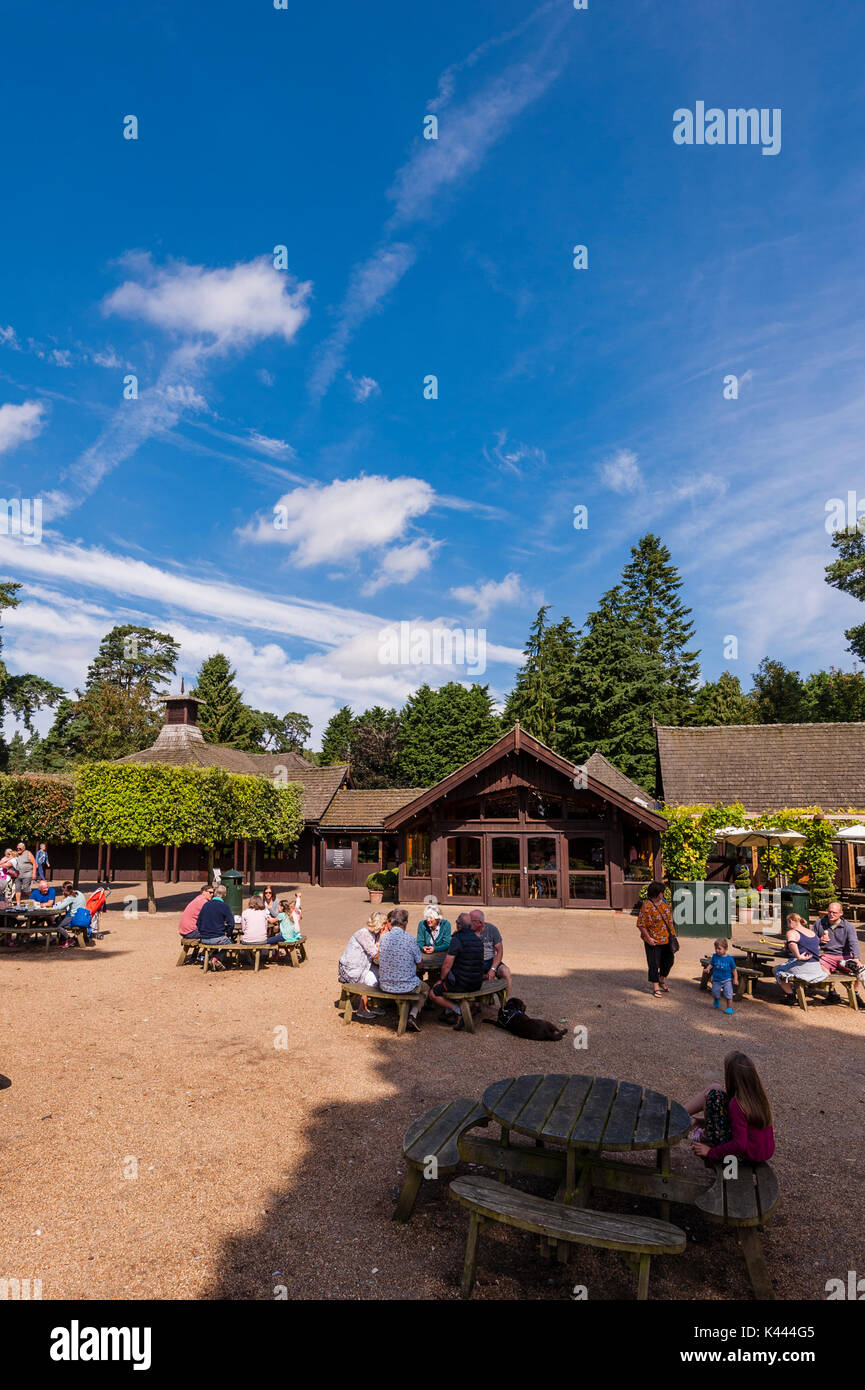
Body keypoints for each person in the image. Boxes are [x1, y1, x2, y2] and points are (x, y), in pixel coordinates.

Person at [686, 1051, 775, 1163]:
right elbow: (747, 1128)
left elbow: (739, 1145)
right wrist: (706, 1121)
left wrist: (710, 1152)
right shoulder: (758, 1098)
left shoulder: (738, 1105)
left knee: (712, 1095)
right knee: (715, 1087)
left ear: (731, 1078)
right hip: (759, 1152)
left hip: (743, 1156)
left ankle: (675, 1116)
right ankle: (677, 1114)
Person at [428, 912, 484, 1029]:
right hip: (476, 983)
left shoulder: (457, 939)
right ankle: (448, 1013)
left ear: (458, 925)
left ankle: (458, 1011)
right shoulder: (478, 939)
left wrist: (441, 979)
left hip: (461, 984)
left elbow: (447, 965)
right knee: (447, 983)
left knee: (433, 992)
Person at [377, 907, 428, 1032]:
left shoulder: (383, 938)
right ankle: (413, 1015)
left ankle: (403, 1012)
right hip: (406, 986)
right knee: (425, 989)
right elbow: (420, 963)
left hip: (385, 984)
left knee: (407, 981)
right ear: (405, 923)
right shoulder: (410, 939)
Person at [339, 911, 387, 1020]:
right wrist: (382, 938)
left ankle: (375, 1004)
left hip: (361, 966)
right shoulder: (364, 934)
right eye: (385, 924)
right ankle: (362, 1009)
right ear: (381, 924)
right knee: (372, 980)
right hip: (351, 970)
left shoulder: (372, 934)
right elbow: (375, 954)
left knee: (381, 974)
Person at [816, 901, 865, 1005]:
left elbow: (854, 942)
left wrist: (856, 958)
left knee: (859, 969)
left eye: (834, 912)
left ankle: (855, 994)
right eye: (829, 912)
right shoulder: (819, 923)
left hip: (845, 956)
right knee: (819, 969)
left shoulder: (848, 926)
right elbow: (811, 939)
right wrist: (819, 940)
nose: (831, 915)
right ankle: (832, 993)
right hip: (827, 956)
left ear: (841, 913)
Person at [774, 912, 827, 1005]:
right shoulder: (811, 932)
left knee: (776, 970)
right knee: (786, 967)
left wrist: (798, 955)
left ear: (790, 921)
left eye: (787, 922)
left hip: (803, 966)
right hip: (815, 966)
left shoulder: (792, 932)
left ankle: (790, 996)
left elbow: (792, 943)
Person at [637, 881, 675, 998]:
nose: (663, 894)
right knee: (653, 964)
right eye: (662, 892)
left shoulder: (664, 904)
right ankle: (656, 987)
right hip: (653, 941)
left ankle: (661, 979)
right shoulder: (647, 906)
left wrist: (672, 936)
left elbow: (669, 921)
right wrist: (648, 938)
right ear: (658, 894)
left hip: (667, 939)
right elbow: (641, 924)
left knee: (669, 961)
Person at [470, 908, 512, 993]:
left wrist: (493, 969)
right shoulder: (467, 930)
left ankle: (506, 1002)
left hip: (490, 960)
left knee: (506, 971)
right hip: (475, 962)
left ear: (480, 923)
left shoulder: (492, 929)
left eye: (472, 921)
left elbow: (499, 951)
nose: (469, 923)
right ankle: (477, 1000)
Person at [195, 884, 236, 970]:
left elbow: (198, 922)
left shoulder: (206, 905)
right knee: (231, 943)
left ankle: (211, 958)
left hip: (204, 939)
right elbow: (231, 924)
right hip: (217, 938)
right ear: (224, 895)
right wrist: (227, 933)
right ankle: (216, 958)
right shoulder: (225, 906)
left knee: (219, 940)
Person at [708, 938, 738, 1016]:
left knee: (729, 994)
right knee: (715, 993)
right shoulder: (715, 956)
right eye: (716, 948)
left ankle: (729, 1008)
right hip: (716, 979)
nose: (717, 950)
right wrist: (708, 968)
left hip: (727, 980)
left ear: (726, 949)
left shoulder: (729, 959)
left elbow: (734, 970)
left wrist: (735, 979)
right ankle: (717, 999)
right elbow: (711, 963)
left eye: (719, 949)